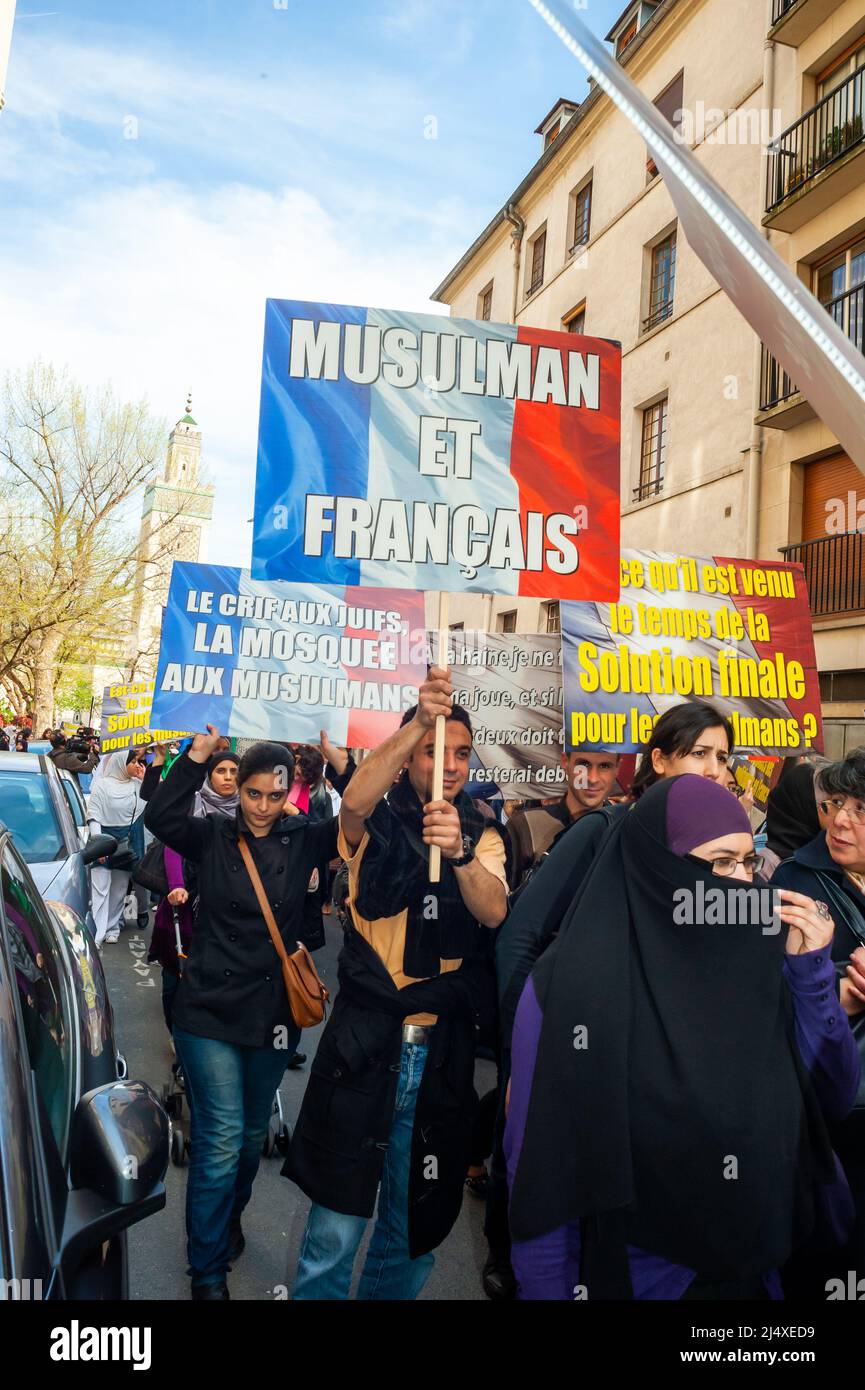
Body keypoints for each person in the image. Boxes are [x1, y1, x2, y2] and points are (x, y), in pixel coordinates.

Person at [506, 773, 859, 1299]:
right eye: (720, 863)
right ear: (659, 869)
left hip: (759, 1271)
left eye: (747, 862)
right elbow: (544, 1183)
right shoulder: (569, 993)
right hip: (639, 1278)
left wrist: (811, 977)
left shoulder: (762, 957)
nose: (741, 886)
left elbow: (830, 1096)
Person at [483, 700, 735, 1301]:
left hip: (649, 1079)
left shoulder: (725, 854)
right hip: (570, 1048)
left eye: (722, 757)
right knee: (554, 1199)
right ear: (659, 759)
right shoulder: (602, 831)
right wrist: (526, 1057)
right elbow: (519, 938)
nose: (713, 768)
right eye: (698, 753)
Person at [286, 666, 509, 1301]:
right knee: (336, 1223)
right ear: (412, 753)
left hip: (439, 1054)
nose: (453, 764)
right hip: (365, 1043)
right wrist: (418, 721)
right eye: (438, 751)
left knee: (414, 1226)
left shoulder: (482, 830)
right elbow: (353, 801)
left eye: (463, 753)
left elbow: (494, 909)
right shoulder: (373, 821)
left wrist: (460, 853)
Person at [143, 728, 338, 1301]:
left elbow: (360, 818)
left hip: (274, 1013)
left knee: (252, 1136)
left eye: (274, 796)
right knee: (222, 1136)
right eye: (252, 794)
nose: (261, 806)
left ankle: (224, 1220)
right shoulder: (212, 836)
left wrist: (344, 764)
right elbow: (160, 815)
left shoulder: (305, 836)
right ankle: (206, 1274)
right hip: (206, 1008)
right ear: (238, 791)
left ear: (289, 794)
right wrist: (193, 757)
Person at [770, 748, 865, 1295]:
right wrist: (845, 991)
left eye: (860, 808)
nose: (841, 820)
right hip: (833, 1097)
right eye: (835, 804)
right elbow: (774, 990)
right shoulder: (797, 877)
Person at [147, 749, 240, 1033]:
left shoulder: (249, 811)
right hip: (185, 901)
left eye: (234, 772)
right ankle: (175, 1031)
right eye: (221, 771)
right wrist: (176, 886)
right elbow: (174, 846)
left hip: (226, 906)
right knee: (176, 970)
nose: (228, 778)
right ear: (209, 776)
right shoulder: (192, 803)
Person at [505, 748, 622, 889]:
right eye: (583, 764)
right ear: (565, 762)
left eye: (604, 766)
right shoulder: (525, 826)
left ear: (617, 768)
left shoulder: (625, 830)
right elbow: (505, 906)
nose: (592, 778)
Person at [87, 750, 147, 946]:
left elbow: (154, 804)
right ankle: (97, 931)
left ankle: (112, 927)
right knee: (100, 889)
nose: (137, 765)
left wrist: (146, 780)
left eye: (139, 761)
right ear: (121, 763)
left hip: (125, 844)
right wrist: (98, 845)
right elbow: (94, 815)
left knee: (119, 890)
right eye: (133, 761)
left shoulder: (138, 786)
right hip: (104, 840)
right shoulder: (102, 786)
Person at [761, 760, 824, 878]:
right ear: (804, 808)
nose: (839, 817)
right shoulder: (765, 869)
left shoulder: (823, 863)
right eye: (826, 805)